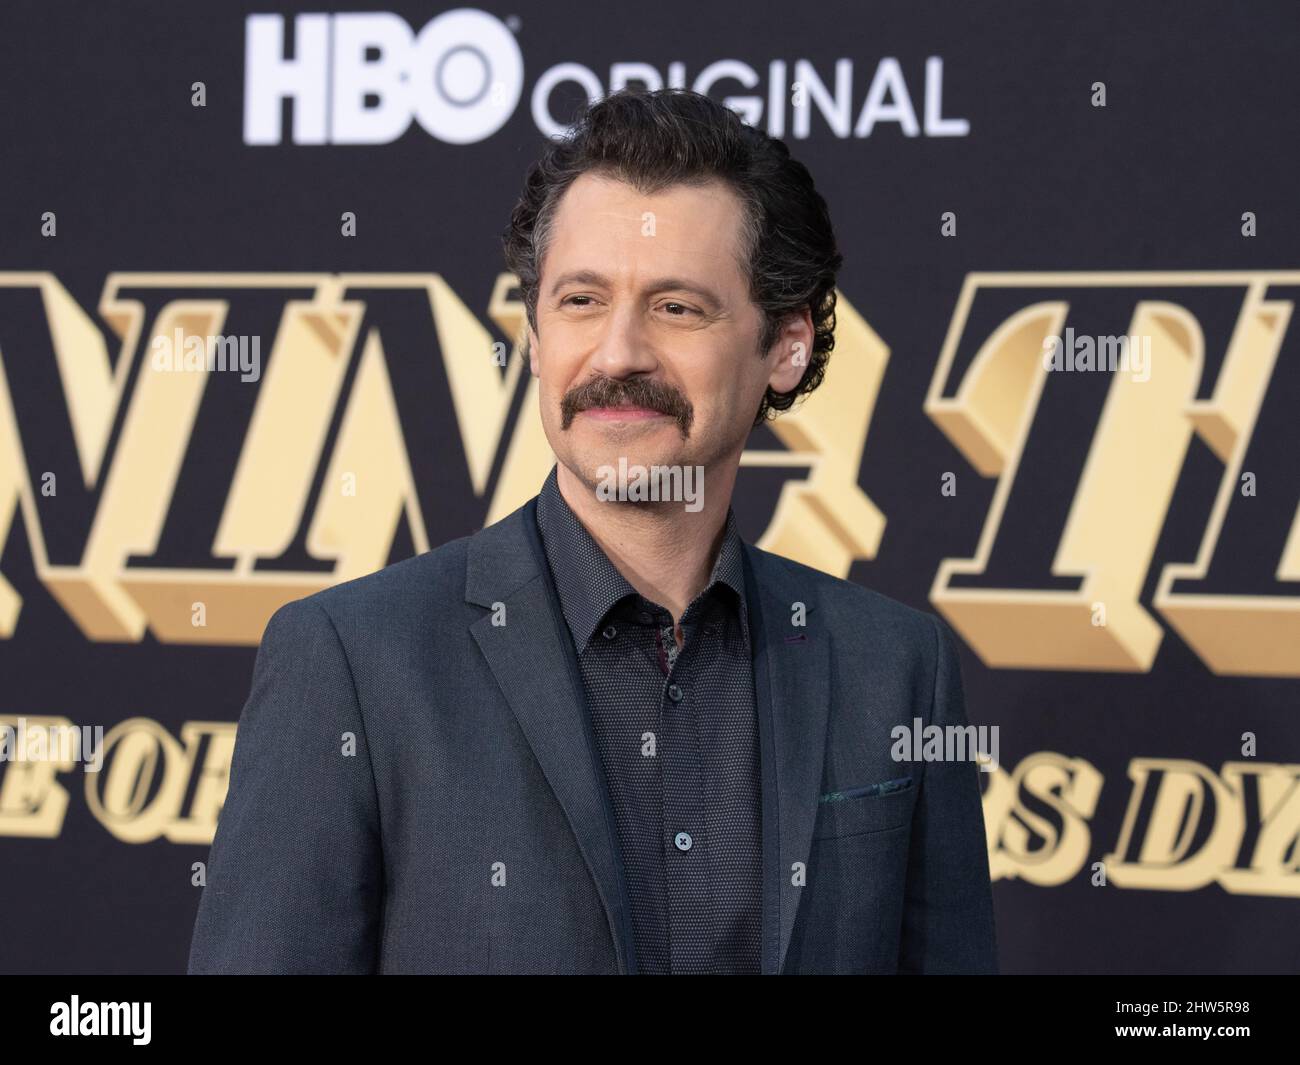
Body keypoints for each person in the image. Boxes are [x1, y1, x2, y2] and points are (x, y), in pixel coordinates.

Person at [187, 87, 997, 975]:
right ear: (534, 333)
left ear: (786, 346)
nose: (617, 354)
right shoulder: (352, 660)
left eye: (676, 307)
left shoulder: (895, 667)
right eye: (579, 300)